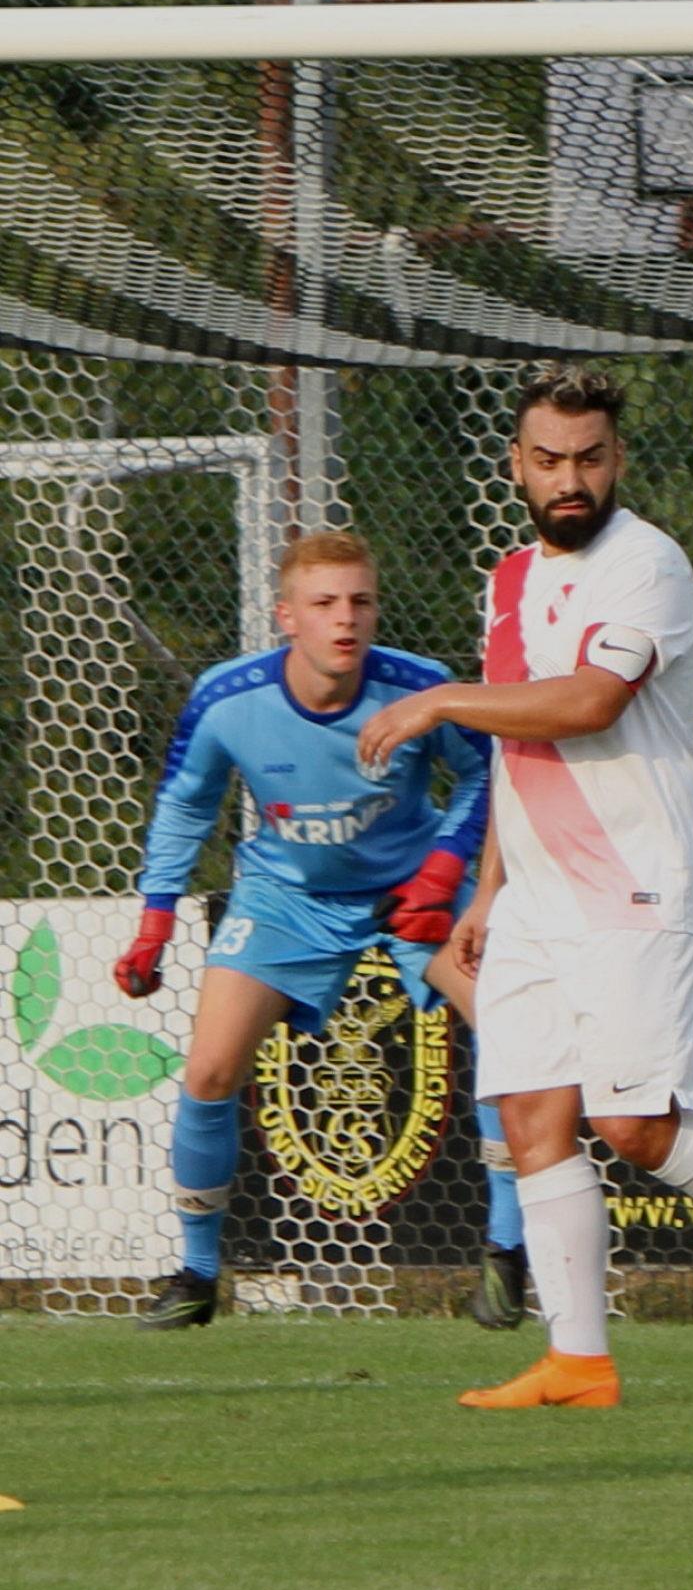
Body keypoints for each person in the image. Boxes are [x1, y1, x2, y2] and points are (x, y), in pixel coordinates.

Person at [357, 364, 693, 1409]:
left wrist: (444, 697)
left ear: (616, 459)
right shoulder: (506, 578)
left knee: (633, 1123)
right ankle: (578, 1360)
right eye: (549, 460)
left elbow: (586, 702)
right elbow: (515, 736)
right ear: (518, 466)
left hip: (637, 879)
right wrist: (489, 887)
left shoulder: (648, 566)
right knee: (532, 1114)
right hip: (536, 893)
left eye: (588, 458)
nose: (569, 479)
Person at [118, 530, 527, 1330]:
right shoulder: (227, 698)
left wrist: (445, 864)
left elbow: (493, 769)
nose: (346, 619)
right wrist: (156, 917)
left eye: (361, 601)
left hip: (412, 890)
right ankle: (198, 1274)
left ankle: (507, 1257)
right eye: (325, 603)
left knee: (514, 1032)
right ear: (286, 616)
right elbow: (186, 801)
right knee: (208, 1070)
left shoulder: (419, 689)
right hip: (283, 900)